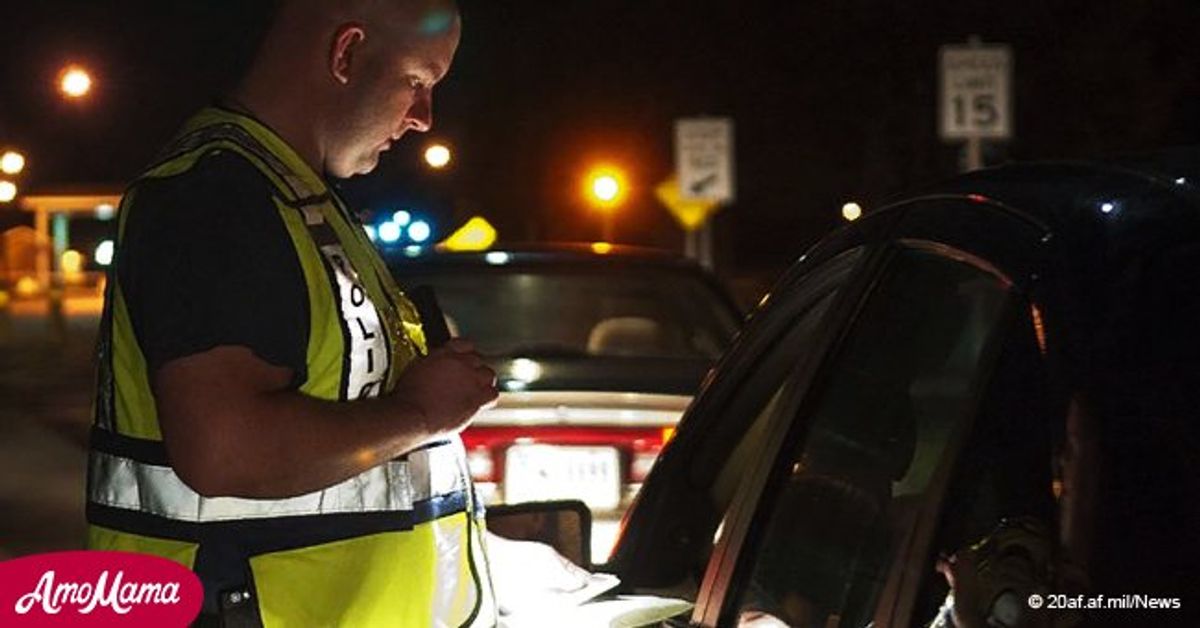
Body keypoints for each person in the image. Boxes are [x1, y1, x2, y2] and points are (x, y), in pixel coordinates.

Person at [85, 0, 500, 625]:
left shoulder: (298, 202)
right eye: (418, 82)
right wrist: (419, 413)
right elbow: (223, 449)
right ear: (346, 53)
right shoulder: (217, 199)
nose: (423, 119)